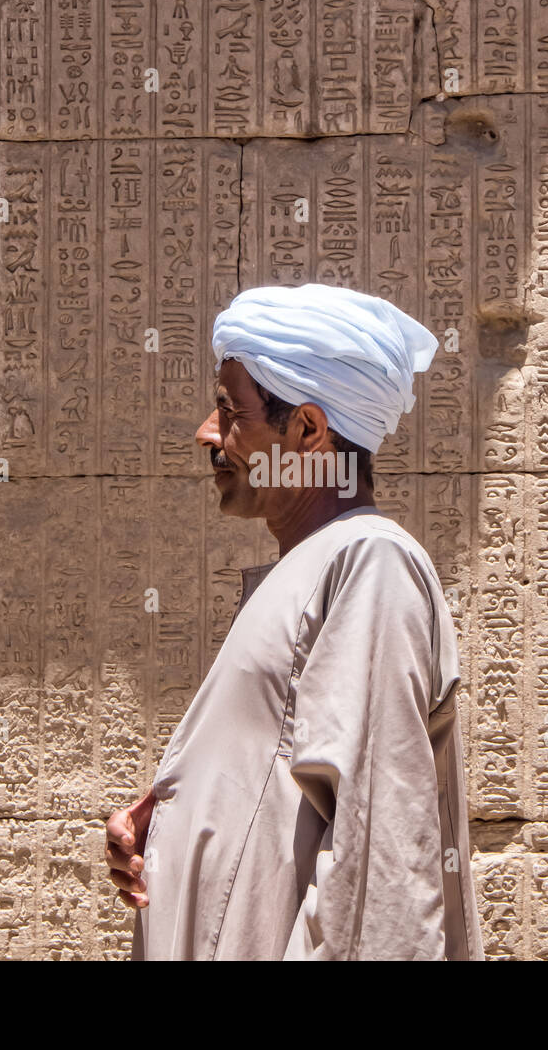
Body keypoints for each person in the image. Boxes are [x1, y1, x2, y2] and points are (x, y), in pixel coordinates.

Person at [105, 283, 484, 960]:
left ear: (307, 430)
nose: (207, 435)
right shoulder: (316, 566)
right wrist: (174, 820)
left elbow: (381, 864)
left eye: (230, 411)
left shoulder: (368, 561)